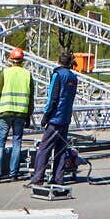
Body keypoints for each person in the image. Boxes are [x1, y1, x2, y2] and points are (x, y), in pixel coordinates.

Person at [31, 51, 78, 188]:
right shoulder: (73, 77)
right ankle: (59, 178)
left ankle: (38, 178)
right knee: (61, 149)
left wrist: (46, 115)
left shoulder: (57, 75)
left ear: (59, 61)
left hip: (55, 118)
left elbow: (53, 97)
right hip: (66, 117)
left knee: (44, 148)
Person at [0, 47, 33, 181]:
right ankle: (13, 174)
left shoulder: (5, 73)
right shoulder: (27, 74)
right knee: (17, 143)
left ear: (11, 60)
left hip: (6, 112)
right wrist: (29, 115)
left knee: (0, 143)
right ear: (22, 60)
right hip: (21, 113)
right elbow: (31, 97)